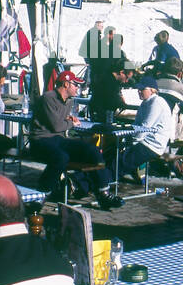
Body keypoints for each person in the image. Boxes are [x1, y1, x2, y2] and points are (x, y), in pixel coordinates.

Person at [30, 71, 122, 209]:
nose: (77, 88)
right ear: (66, 84)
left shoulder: (69, 101)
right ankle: (41, 193)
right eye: (75, 85)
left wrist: (68, 120)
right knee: (61, 157)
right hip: (40, 140)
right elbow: (56, 126)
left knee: (91, 150)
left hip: (58, 139)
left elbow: (61, 123)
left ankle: (103, 192)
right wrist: (71, 123)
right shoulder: (48, 98)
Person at [115, 77, 174, 182]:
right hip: (145, 142)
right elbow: (137, 124)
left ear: (152, 90)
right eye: (138, 89)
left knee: (123, 161)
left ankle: (102, 181)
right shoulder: (145, 103)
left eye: (142, 89)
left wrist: (133, 142)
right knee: (115, 153)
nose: (139, 91)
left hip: (153, 144)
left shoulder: (157, 102)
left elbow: (145, 127)